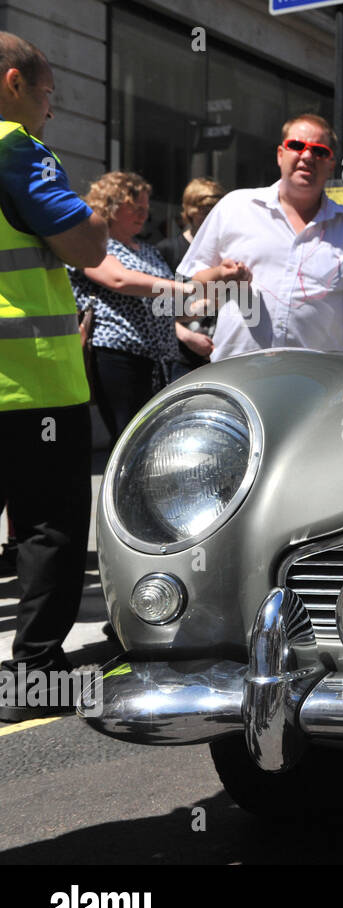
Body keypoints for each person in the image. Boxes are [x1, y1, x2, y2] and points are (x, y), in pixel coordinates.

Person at [0, 32, 108, 720]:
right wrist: (95, 216)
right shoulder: (14, 147)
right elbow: (84, 243)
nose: (50, 112)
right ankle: (36, 674)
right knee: (48, 527)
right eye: (47, 96)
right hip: (29, 383)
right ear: (15, 83)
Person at [179, 114, 343, 359]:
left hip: (319, 378)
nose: (307, 156)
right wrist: (220, 276)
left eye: (319, 151)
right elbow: (189, 286)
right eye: (297, 146)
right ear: (280, 154)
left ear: (331, 163)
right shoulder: (236, 207)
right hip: (239, 371)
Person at [68, 171, 218, 442]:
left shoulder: (147, 249)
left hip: (157, 361)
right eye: (135, 208)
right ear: (111, 206)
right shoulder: (94, 246)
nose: (143, 215)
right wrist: (184, 288)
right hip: (118, 355)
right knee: (131, 439)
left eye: (146, 209)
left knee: (154, 440)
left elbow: (162, 304)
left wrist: (206, 303)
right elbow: (119, 279)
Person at [158, 177, 223, 379]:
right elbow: (158, 308)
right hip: (181, 356)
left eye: (216, 210)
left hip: (219, 355)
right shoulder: (169, 250)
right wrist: (187, 337)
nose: (210, 217)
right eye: (205, 210)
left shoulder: (226, 251)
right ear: (190, 211)